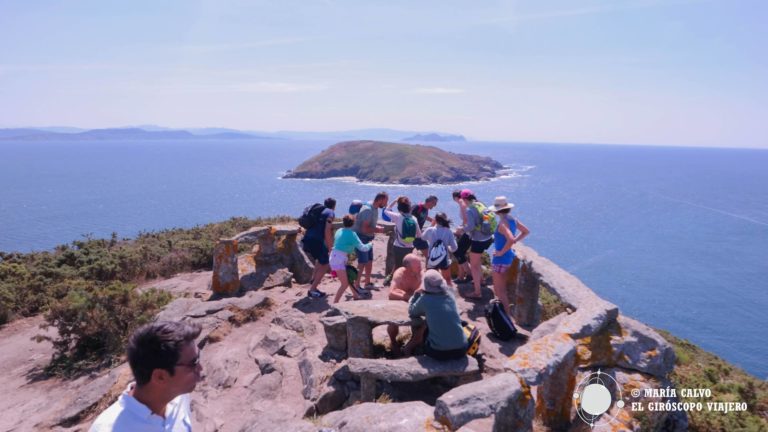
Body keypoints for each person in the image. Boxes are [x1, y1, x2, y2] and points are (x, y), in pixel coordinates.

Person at [89, 321, 203, 432]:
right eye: (193, 363)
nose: (200, 367)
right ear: (160, 377)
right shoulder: (107, 429)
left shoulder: (178, 398)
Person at [405, 269, 467, 360]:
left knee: (425, 325)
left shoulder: (425, 299)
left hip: (439, 352)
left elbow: (412, 312)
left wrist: (416, 294)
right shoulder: (450, 294)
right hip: (462, 349)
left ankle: (412, 347)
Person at [489, 196, 530, 314]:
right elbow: (526, 231)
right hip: (508, 257)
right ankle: (503, 315)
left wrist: (501, 252)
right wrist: (515, 241)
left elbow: (510, 239)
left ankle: (505, 318)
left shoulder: (502, 223)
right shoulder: (513, 220)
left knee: (499, 291)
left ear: (497, 211)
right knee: (502, 290)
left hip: (500, 259)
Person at [459, 189, 494, 300]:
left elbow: (471, 227)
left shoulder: (470, 210)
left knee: (473, 266)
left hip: (478, 240)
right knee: (476, 260)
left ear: (464, 199)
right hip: (488, 237)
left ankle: (477, 292)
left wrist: (461, 229)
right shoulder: (481, 204)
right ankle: (482, 280)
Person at [386, 254, 423, 357]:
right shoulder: (400, 274)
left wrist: (403, 294)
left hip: (415, 306)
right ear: (408, 268)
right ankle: (393, 342)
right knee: (393, 323)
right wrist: (408, 296)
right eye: (418, 266)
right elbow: (391, 293)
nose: (421, 268)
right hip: (399, 305)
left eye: (420, 265)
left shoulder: (421, 274)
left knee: (423, 324)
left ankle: (411, 346)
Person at [332, 214, 373, 303]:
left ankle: (355, 295)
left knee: (348, 279)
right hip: (339, 260)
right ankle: (335, 303)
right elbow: (363, 248)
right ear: (353, 224)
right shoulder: (352, 234)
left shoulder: (339, 230)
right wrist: (370, 244)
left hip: (335, 257)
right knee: (345, 284)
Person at [301, 197, 336, 299]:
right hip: (316, 240)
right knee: (325, 264)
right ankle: (313, 290)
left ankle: (313, 279)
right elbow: (327, 231)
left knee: (320, 259)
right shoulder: (330, 213)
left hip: (307, 238)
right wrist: (330, 248)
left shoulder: (320, 211)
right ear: (334, 206)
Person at [352, 192, 389, 290]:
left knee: (369, 261)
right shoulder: (368, 210)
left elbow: (369, 224)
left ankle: (367, 283)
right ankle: (356, 285)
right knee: (362, 262)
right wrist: (378, 230)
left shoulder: (374, 207)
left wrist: (375, 227)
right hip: (361, 238)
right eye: (385, 201)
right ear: (380, 200)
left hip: (368, 238)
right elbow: (364, 229)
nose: (386, 204)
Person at [384, 196, 422, 277]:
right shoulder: (414, 218)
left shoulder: (397, 217)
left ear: (399, 209)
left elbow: (386, 210)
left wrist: (395, 200)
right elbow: (419, 235)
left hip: (398, 246)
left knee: (398, 267)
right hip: (410, 247)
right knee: (407, 267)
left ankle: (394, 283)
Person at [420, 212, 458, 286]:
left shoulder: (430, 230)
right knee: (447, 280)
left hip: (431, 258)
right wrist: (448, 249)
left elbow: (422, 237)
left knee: (430, 279)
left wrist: (431, 225)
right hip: (444, 258)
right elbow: (455, 247)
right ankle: (448, 295)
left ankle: (430, 295)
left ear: (436, 220)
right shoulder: (448, 231)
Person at [451, 189, 472, 284]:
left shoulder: (461, 202)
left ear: (456, 197)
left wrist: (461, 228)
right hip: (472, 231)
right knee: (461, 253)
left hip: (470, 232)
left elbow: (466, 219)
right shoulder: (467, 202)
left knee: (457, 251)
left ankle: (469, 274)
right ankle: (461, 276)